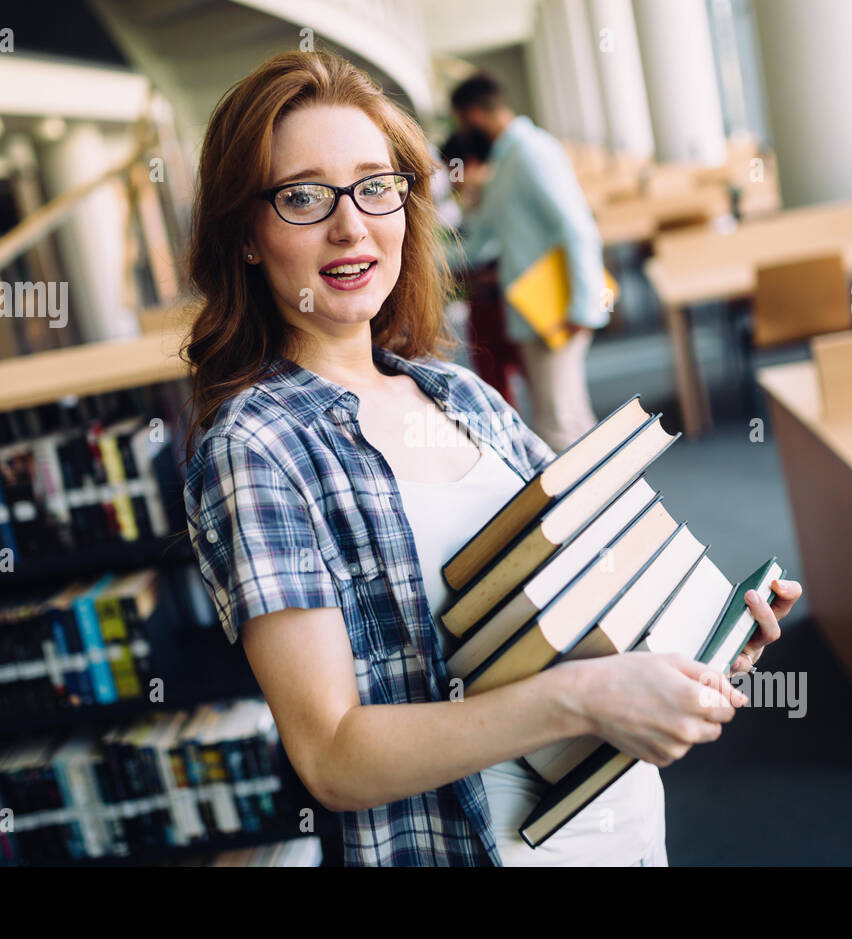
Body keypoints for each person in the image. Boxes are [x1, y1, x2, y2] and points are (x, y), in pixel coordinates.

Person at [181, 49, 802, 867]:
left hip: (625, 836)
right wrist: (585, 697)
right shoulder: (257, 449)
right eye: (303, 197)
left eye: (377, 185)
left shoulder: (457, 393)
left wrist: (698, 651)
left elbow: (589, 594)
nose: (351, 226)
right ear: (248, 237)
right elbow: (333, 756)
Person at [449, 71, 606, 454]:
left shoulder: (532, 152)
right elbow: (481, 241)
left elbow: (577, 228)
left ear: (473, 115)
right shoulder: (506, 161)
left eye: (459, 123)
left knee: (558, 426)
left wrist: (584, 307)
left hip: (559, 310)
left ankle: (600, 511)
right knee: (566, 417)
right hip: (532, 313)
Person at [439, 128, 526, 410]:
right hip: (493, 301)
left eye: (454, 170)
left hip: (501, 302)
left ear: (472, 164)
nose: (453, 181)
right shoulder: (478, 197)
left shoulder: (493, 197)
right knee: (504, 380)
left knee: (501, 381)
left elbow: (478, 250)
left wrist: (435, 260)